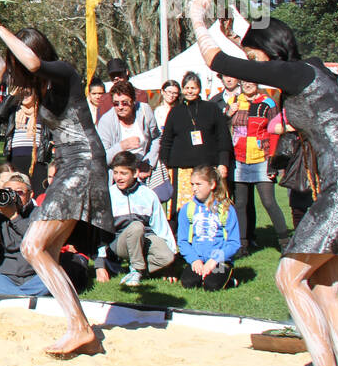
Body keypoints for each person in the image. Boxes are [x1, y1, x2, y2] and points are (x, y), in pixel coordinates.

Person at [190, 0, 338, 366]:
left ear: (272, 54)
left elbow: (221, 64)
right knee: (326, 287)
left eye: (255, 57)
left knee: (289, 276)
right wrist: (242, 35)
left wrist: (199, 22)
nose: (254, 66)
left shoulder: (296, 73)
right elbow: (253, 57)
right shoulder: (313, 71)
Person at [0, 3, 113, 356]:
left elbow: (31, 63)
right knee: (45, 249)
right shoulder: (37, 85)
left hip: (83, 164)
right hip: (69, 165)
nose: (19, 71)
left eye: (22, 60)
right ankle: (79, 328)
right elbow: (6, 74)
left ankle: (80, 328)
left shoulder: (63, 72)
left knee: (32, 247)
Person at [226, 79, 290, 254]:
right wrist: (228, 115)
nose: (247, 84)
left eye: (250, 81)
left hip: (262, 158)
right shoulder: (234, 102)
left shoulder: (268, 103)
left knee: (269, 202)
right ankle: (242, 245)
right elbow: (224, 128)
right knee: (240, 203)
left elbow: (275, 133)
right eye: (244, 82)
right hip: (238, 158)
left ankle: (285, 242)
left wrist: (273, 163)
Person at [96, 152, 176, 285]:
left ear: (135, 173)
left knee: (167, 257)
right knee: (136, 226)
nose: (118, 178)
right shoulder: (109, 195)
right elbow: (100, 232)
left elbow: (161, 227)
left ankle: (136, 269)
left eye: (123, 173)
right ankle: (136, 270)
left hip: (144, 239)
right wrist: (100, 264)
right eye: (115, 173)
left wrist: (171, 264)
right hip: (119, 242)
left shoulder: (148, 195)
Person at [160, 70, 233, 214]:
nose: (190, 91)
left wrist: (223, 163)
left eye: (193, 88)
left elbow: (223, 137)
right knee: (181, 211)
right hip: (181, 170)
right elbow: (167, 140)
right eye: (187, 88)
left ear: (199, 89)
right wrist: (164, 165)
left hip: (208, 168)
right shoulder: (175, 112)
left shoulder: (212, 108)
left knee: (212, 208)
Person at [176, 166, 239, 291]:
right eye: (192, 184)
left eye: (199, 184)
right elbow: (182, 241)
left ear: (212, 185)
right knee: (189, 283)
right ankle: (203, 274)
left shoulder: (226, 209)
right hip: (198, 258)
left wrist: (214, 260)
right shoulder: (187, 209)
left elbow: (234, 243)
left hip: (219, 260)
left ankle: (231, 280)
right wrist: (194, 260)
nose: (194, 188)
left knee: (212, 286)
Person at [96, 80, 162, 170]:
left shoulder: (144, 110)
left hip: (144, 167)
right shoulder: (106, 121)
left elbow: (156, 138)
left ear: (133, 101)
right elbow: (102, 159)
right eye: (116, 104)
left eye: (125, 103)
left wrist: (148, 163)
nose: (120, 107)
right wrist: (122, 146)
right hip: (119, 172)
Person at [0, 87, 50, 194]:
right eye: (22, 94)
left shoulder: (42, 110)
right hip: (16, 158)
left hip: (37, 159)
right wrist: (12, 94)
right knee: (17, 192)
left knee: (39, 193)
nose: (25, 96)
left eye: (28, 93)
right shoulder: (14, 110)